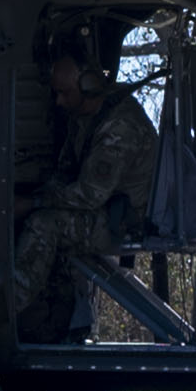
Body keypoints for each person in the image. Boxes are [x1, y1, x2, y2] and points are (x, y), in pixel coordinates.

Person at [13, 41, 157, 340]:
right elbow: (65, 176)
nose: (59, 102)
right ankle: (48, 324)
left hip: (124, 221)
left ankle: (6, 308)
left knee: (46, 224)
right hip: (104, 210)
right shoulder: (86, 119)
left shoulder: (119, 126)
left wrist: (32, 203)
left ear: (89, 85)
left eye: (64, 93)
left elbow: (89, 195)